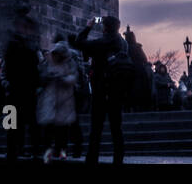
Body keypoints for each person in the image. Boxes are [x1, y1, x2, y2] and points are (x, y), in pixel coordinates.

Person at [71, 15, 128, 164]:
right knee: (116, 128)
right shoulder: (122, 42)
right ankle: (118, 159)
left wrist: (88, 26)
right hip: (117, 90)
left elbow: (79, 43)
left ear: (106, 27)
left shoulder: (104, 41)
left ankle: (92, 158)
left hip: (102, 89)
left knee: (96, 128)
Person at [3, 13, 42, 162]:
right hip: (16, 90)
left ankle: (29, 150)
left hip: (25, 91)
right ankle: (13, 150)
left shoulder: (26, 45)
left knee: (30, 123)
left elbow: (34, 69)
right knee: (13, 123)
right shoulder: (16, 44)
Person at [36, 40, 79, 162]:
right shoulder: (48, 63)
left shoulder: (69, 64)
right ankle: (48, 152)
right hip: (50, 100)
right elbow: (40, 76)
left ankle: (61, 153)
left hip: (64, 101)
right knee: (48, 130)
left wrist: (63, 79)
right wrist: (47, 78)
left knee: (62, 132)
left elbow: (74, 77)